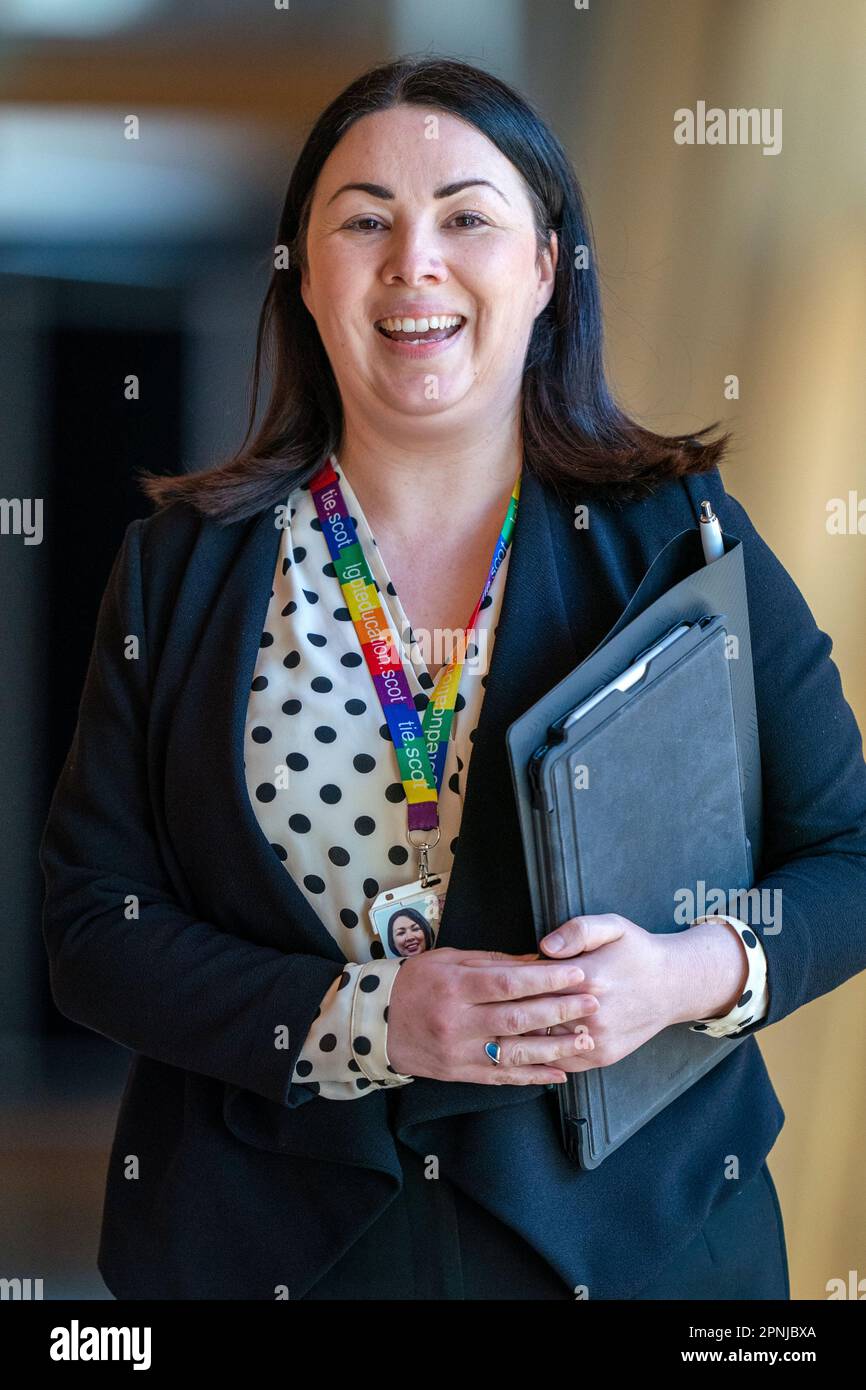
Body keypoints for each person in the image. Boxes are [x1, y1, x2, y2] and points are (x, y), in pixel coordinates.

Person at [39, 55, 866, 1301]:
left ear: (543, 268)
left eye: (465, 217)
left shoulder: (676, 539)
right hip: (274, 1243)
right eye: (362, 220)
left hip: (634, 1244)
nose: (411, 260)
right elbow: (95, 929)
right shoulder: (179, 572)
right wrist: (363, 1019)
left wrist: (687, 973)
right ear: (304, 277)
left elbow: (847, 853)